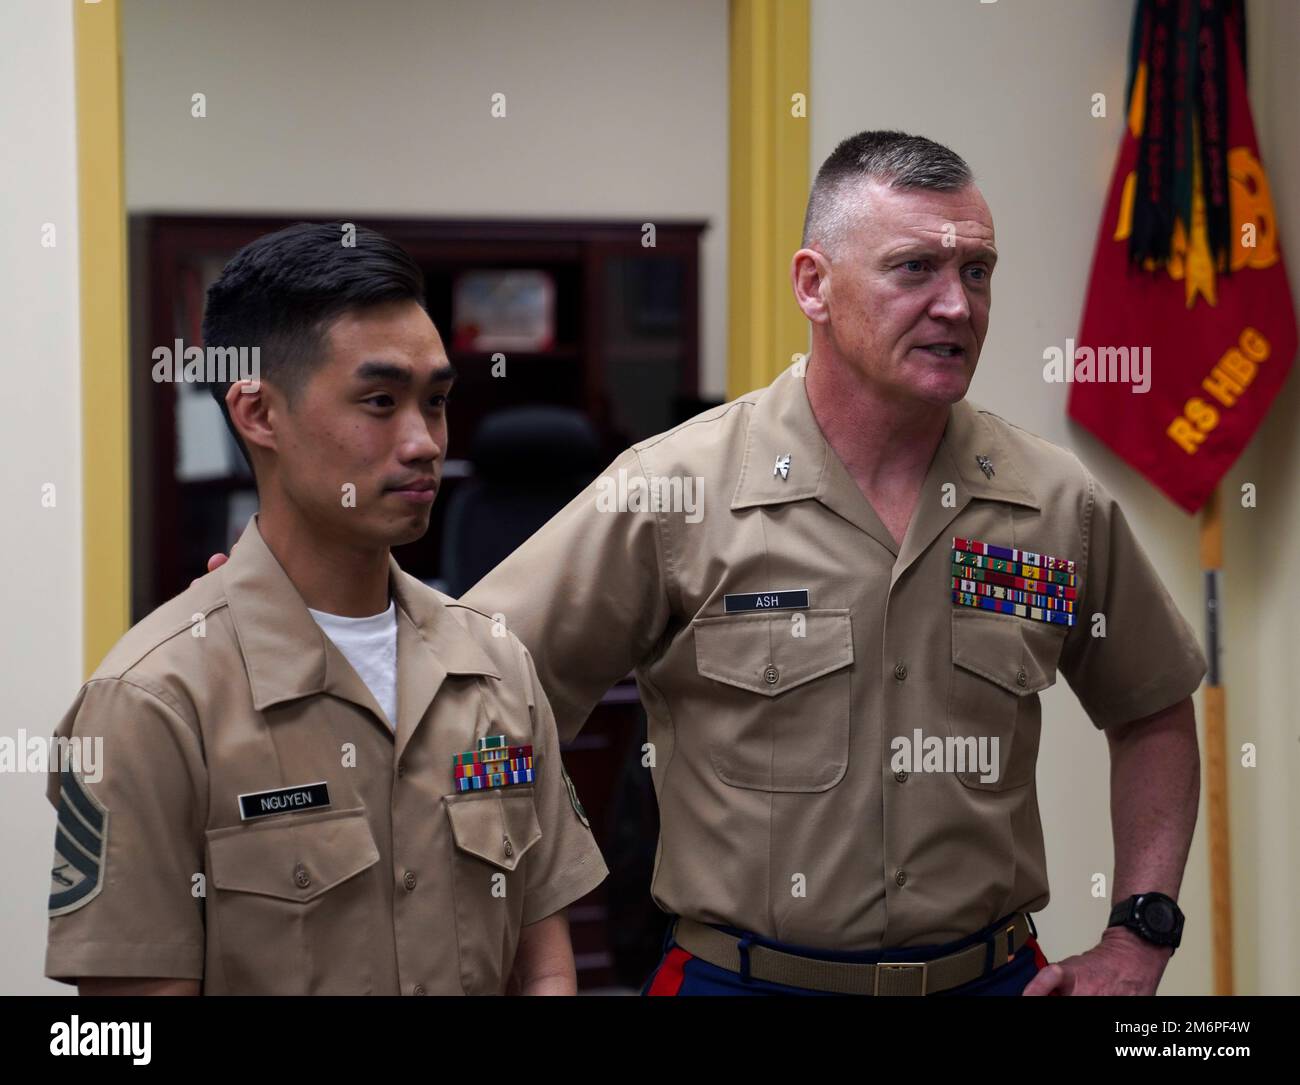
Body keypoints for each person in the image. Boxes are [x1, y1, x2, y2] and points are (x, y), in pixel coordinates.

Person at [460, 131, 1206, 995]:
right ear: (814, 285)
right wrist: (538, 940)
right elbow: (480, 704)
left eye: (977, 272)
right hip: (745, 980)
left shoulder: (1053, 500)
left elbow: (1152, 707)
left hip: (992, 979)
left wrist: (1140, 933)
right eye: (914, 269)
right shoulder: (676, 491)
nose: (957, 306)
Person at [44, 223, 606, 995]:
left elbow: (543, 958)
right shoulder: (152, 701)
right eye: (380, 401)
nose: (424, 443)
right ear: (258, 414)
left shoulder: (495, 665)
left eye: (435, 402)